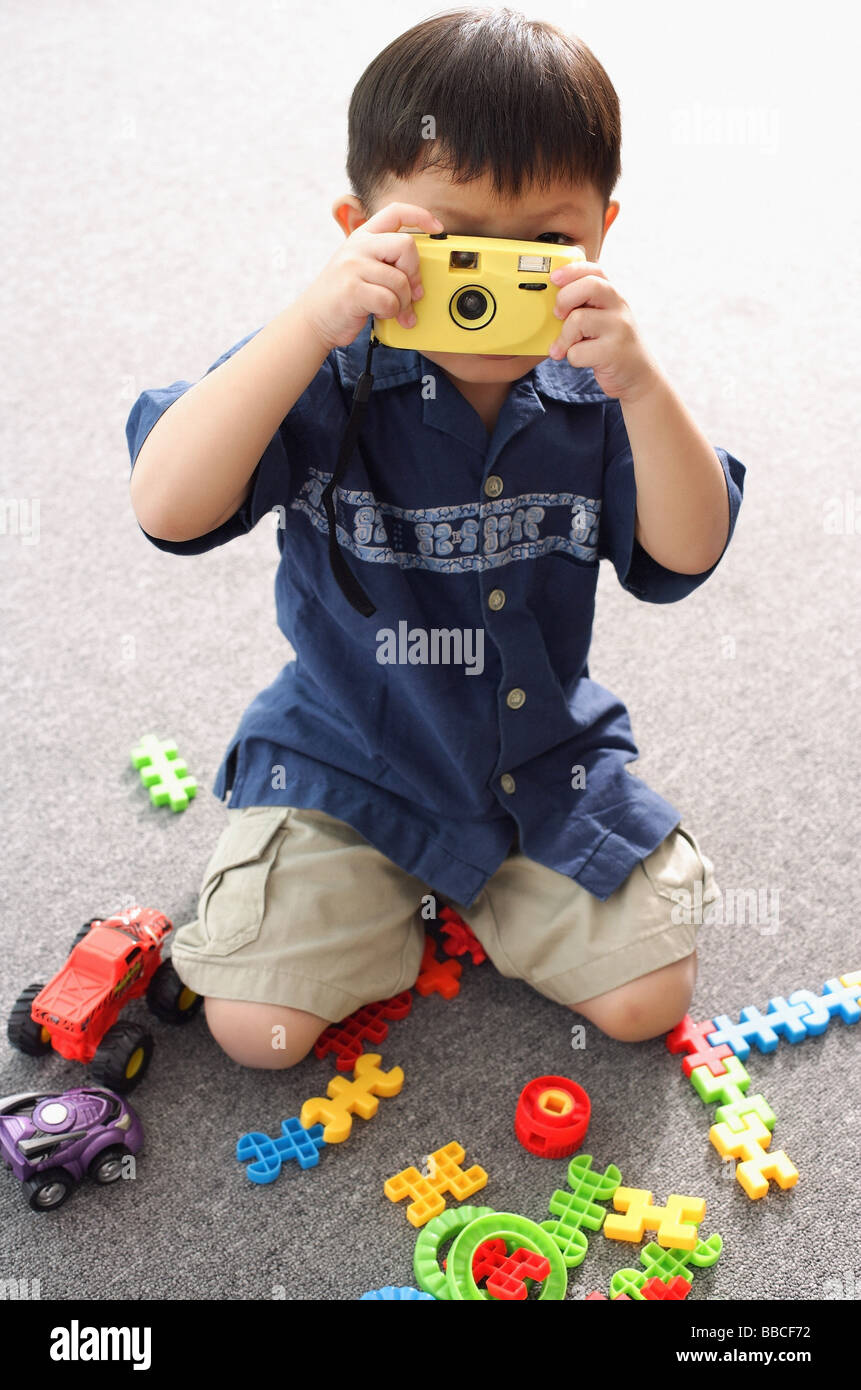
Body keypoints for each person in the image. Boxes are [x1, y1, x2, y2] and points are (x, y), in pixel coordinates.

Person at [125, 7, 742, 1069]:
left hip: (538, 762)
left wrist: (643, 384)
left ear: (602, 233)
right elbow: (168, 508)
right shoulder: (321, 370)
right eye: (452, 244)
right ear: (357, 230)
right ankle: (411, 890)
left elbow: (688, 551)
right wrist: (308, 322)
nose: (489, 287)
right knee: (256, 1032)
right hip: (349, 758)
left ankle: (454, 889)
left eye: (544, 247)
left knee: (647, 997)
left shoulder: (601, 393)